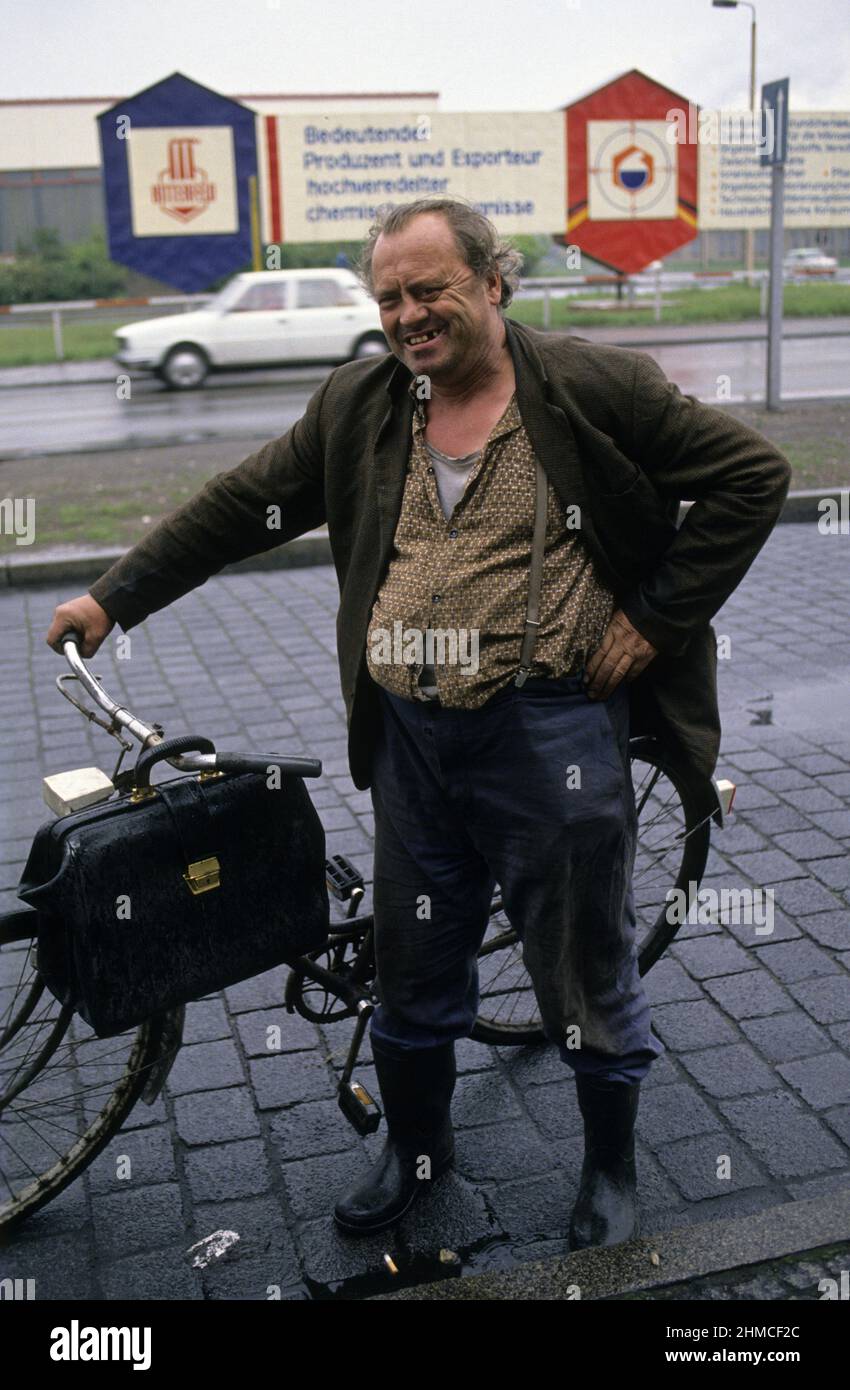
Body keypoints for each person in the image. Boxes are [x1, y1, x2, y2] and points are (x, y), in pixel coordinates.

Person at [46, 198, 791, 1251]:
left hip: (547, 732)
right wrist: (113, 597)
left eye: (429, 288)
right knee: (413, 963)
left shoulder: (588, 386)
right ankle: (413, 1150)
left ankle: (612, 1167)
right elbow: (236, 502)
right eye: (389, 296)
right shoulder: (364, 401)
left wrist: (655, 618)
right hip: (410, 736)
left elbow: (750, 476)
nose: (407, 314)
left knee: (580, 967)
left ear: (493, 282)